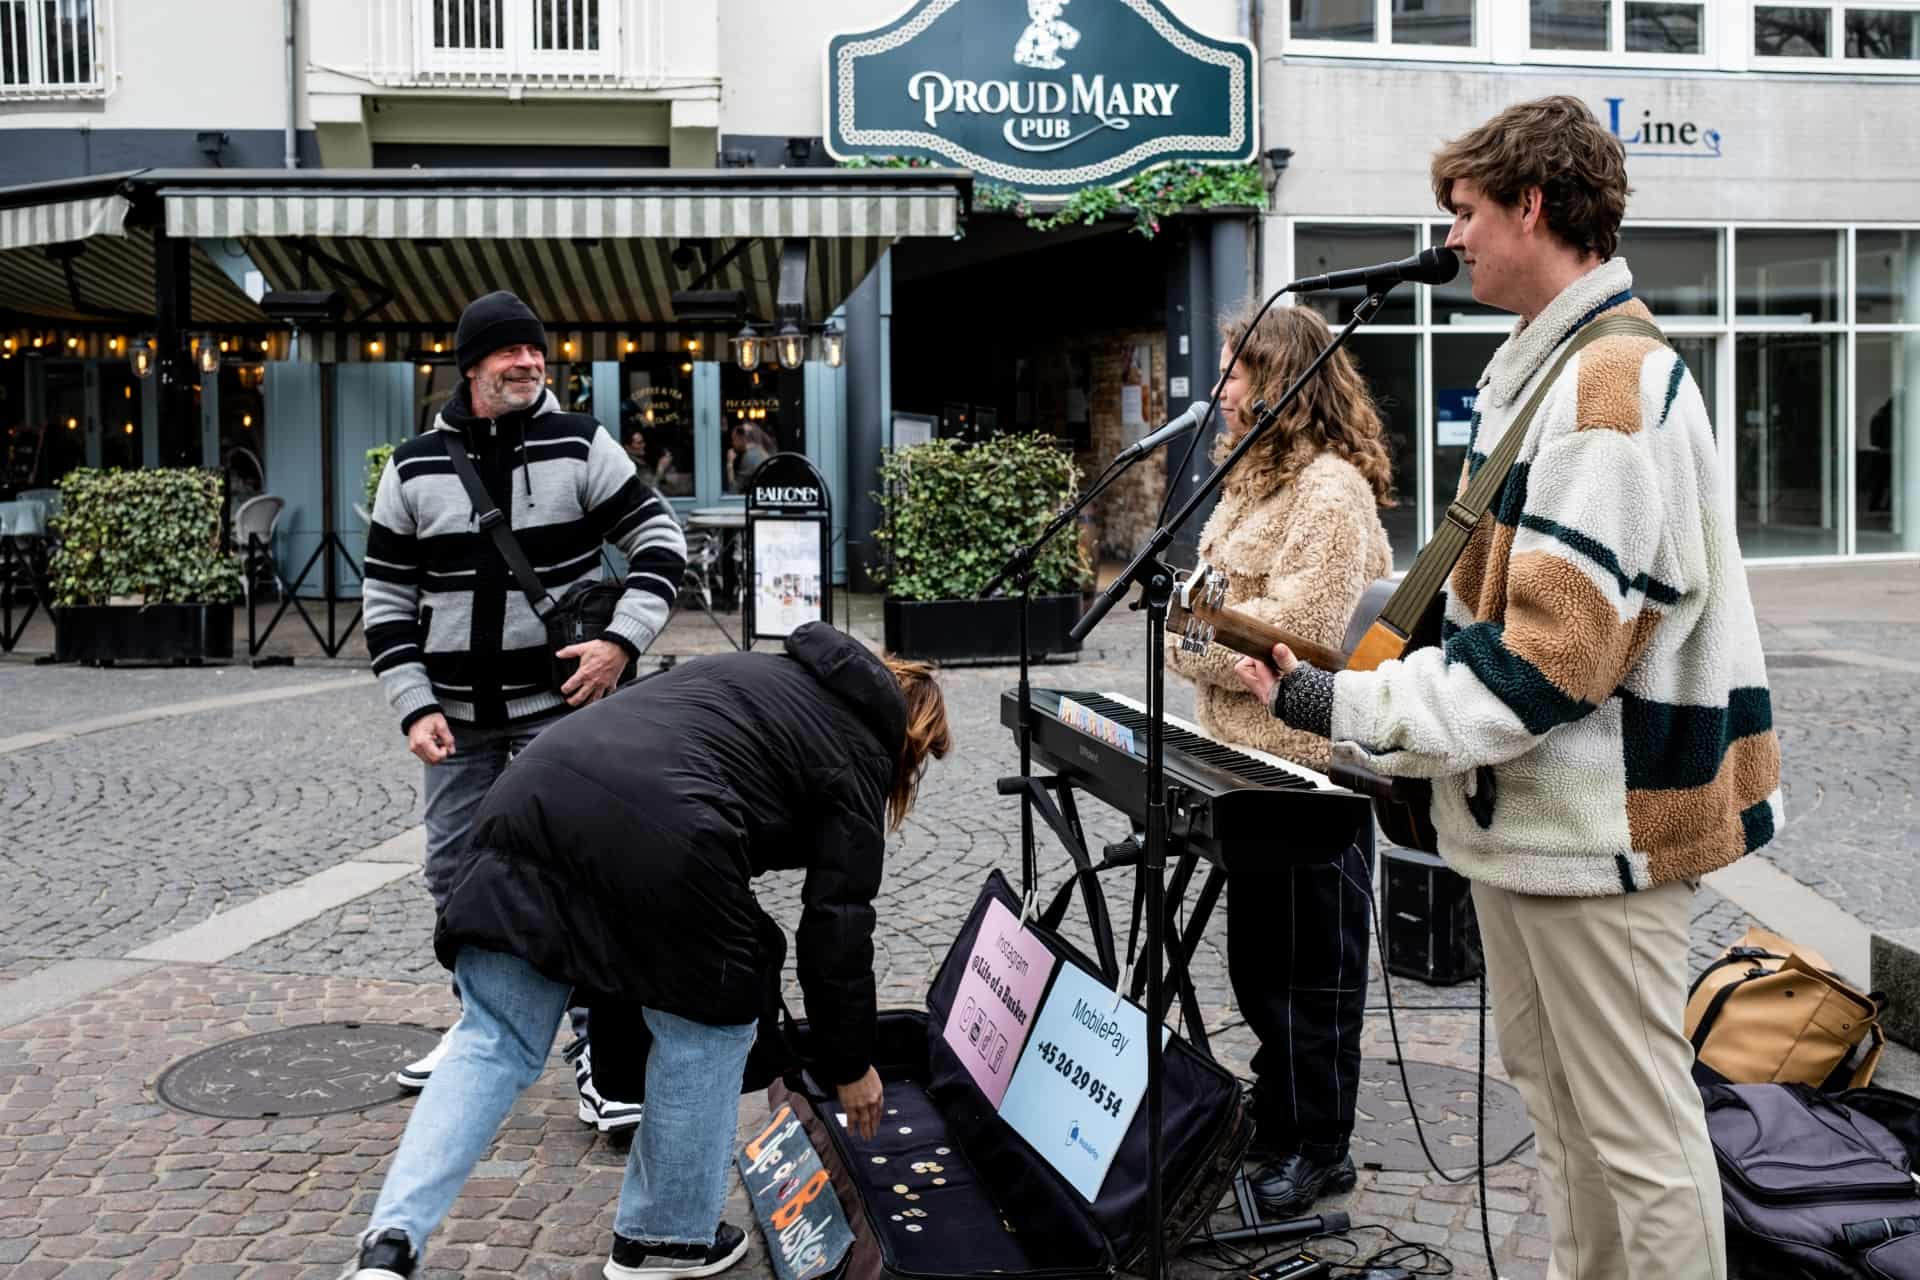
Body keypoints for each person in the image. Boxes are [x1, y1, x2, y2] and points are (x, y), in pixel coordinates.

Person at [1236, 96, 1783, 1280]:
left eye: (1465, 211)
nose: (1452, 237)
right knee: (1571, 1116)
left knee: (1633, 1133)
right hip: (1541, 831)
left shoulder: (1608, 389)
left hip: (1601, 836)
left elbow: (1546, 661)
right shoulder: (1559, 373)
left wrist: (1349, 706)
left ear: (1533, 205)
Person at [343, 621, 953, 1280]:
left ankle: (390, 1243)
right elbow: (835, 927)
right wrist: (850, 1062)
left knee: (491, 1038)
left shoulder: (754, 669)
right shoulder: (862, 752)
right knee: (711, 1025)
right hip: (667, 831)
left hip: (531, 790)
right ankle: (667, 1238)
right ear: (911, 741)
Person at [363, 289, 688, 1133]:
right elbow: (387, 594)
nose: (530, 365)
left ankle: (595, 1047)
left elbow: (660, 539)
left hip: (563, 705)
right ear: (472, 365)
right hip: (456, 715)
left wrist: (621, 640)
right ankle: (484, 1023)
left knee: (575, 871)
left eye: (538, 353)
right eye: (511, 354)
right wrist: (411, 705)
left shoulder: (582, 443)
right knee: (454, 873)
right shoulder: (412, 466)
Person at [1163, 302, 1395, 1217]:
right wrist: (1206, 643)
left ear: (1283, 382)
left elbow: (1296, 640)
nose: (1219, 391)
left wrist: (1200, 645)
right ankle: (1280, 1114)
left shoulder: (1331, 494)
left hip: (1308, 774)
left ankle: (1321, 1146)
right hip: (1240, 766)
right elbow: (1196, 611)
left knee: (1314, 974)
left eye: (1235, 373)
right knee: (1260, 964)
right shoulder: (1247, 483)